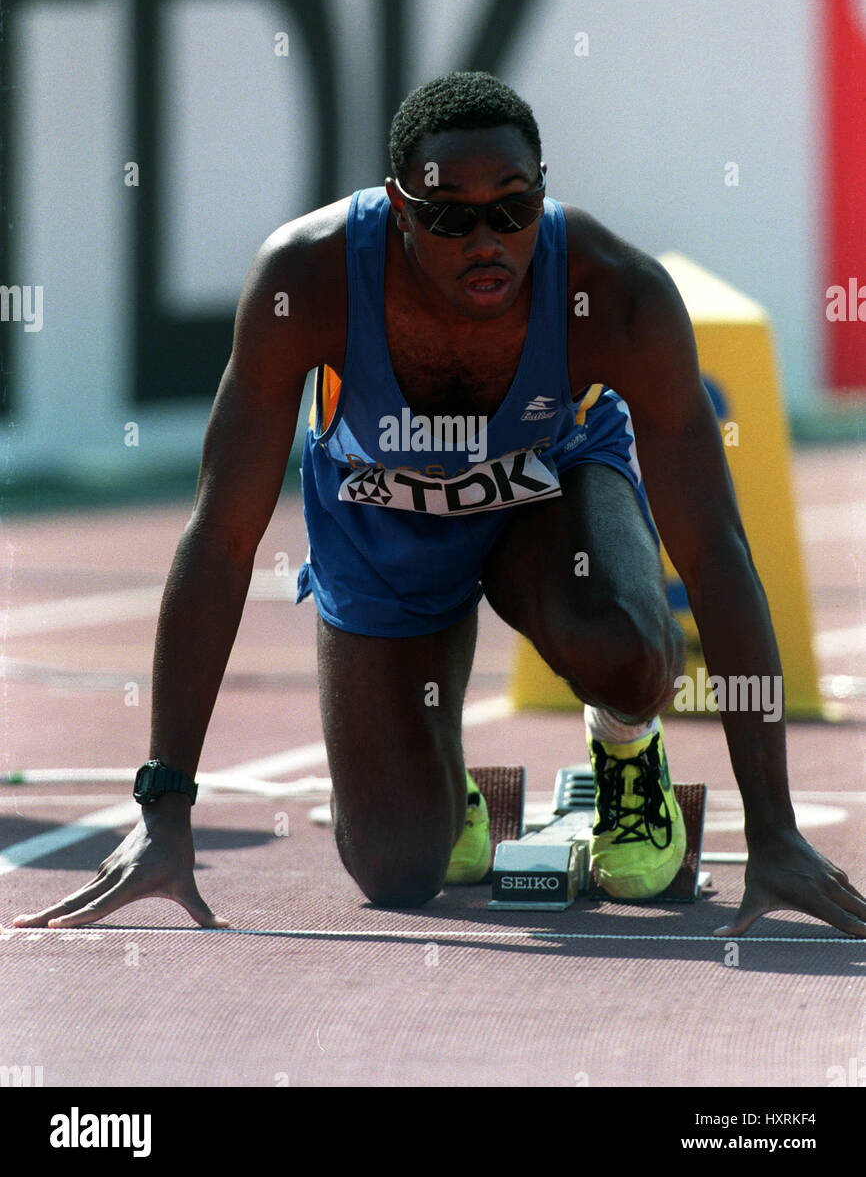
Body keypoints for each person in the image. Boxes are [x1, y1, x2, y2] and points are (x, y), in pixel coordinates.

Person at [14, 70, 866, 936]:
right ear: (397, 208)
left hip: (546, 502)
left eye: (512, 208)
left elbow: (716, 552)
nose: (486, 240)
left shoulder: (617, 296)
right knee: (396, 867)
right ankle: (433, 760)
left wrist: (775, 829)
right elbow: (223, 540)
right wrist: (163, 810)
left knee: (627, 651)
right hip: (384, 525)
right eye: (449, 216)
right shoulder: (307, 282)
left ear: (542, 192)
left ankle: (624, 749)